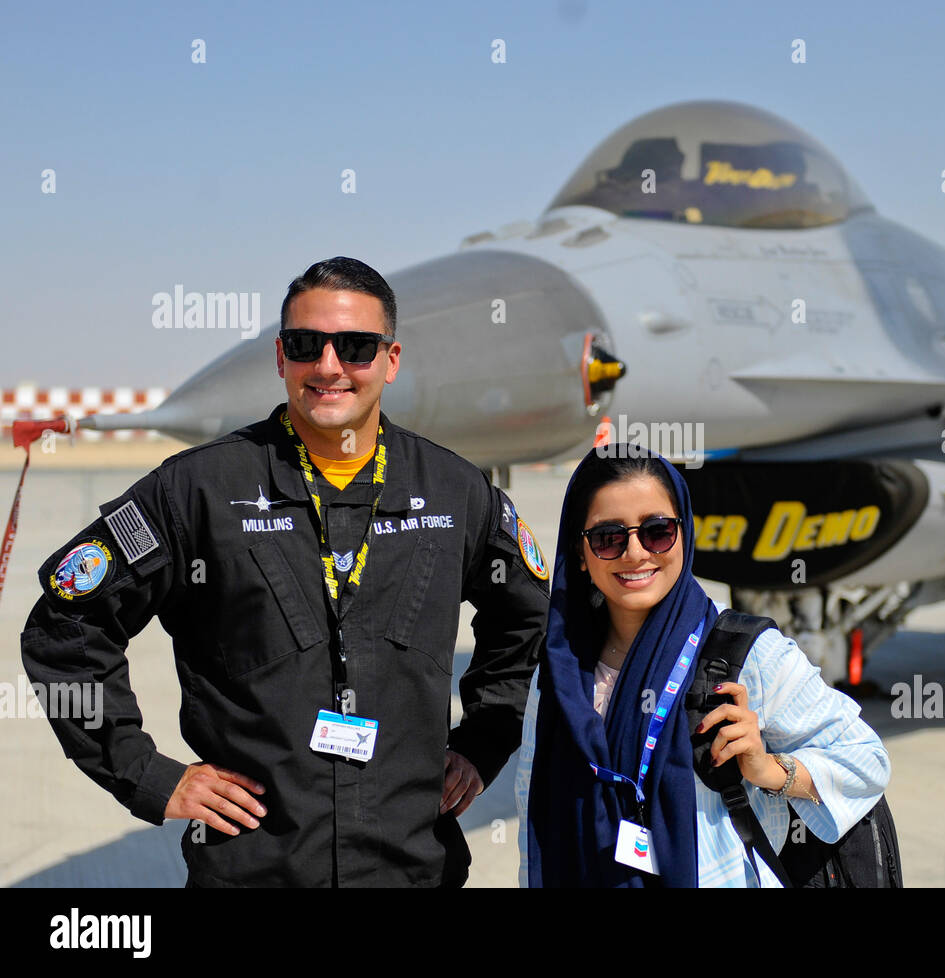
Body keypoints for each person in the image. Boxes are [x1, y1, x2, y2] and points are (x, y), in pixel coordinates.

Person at [20, 257, 551, 887]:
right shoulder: (199, 491)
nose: (328, 366)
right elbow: (66, 628)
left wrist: (486, 738)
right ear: (280, 357)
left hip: (411, 869)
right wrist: (146, 773)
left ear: (391, 359)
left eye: (355, 346)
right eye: (306, 345)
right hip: (255, 870)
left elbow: (531, 618)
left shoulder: (454, 491)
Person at [516, 446, 890, 886]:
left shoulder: (743, 652)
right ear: (580, 553)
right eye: (608, 537)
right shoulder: (560, 670)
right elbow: (532, 806)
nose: (635, 553)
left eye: (656, 531)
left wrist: (768, 768)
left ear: (684, 533)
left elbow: (867, 760)